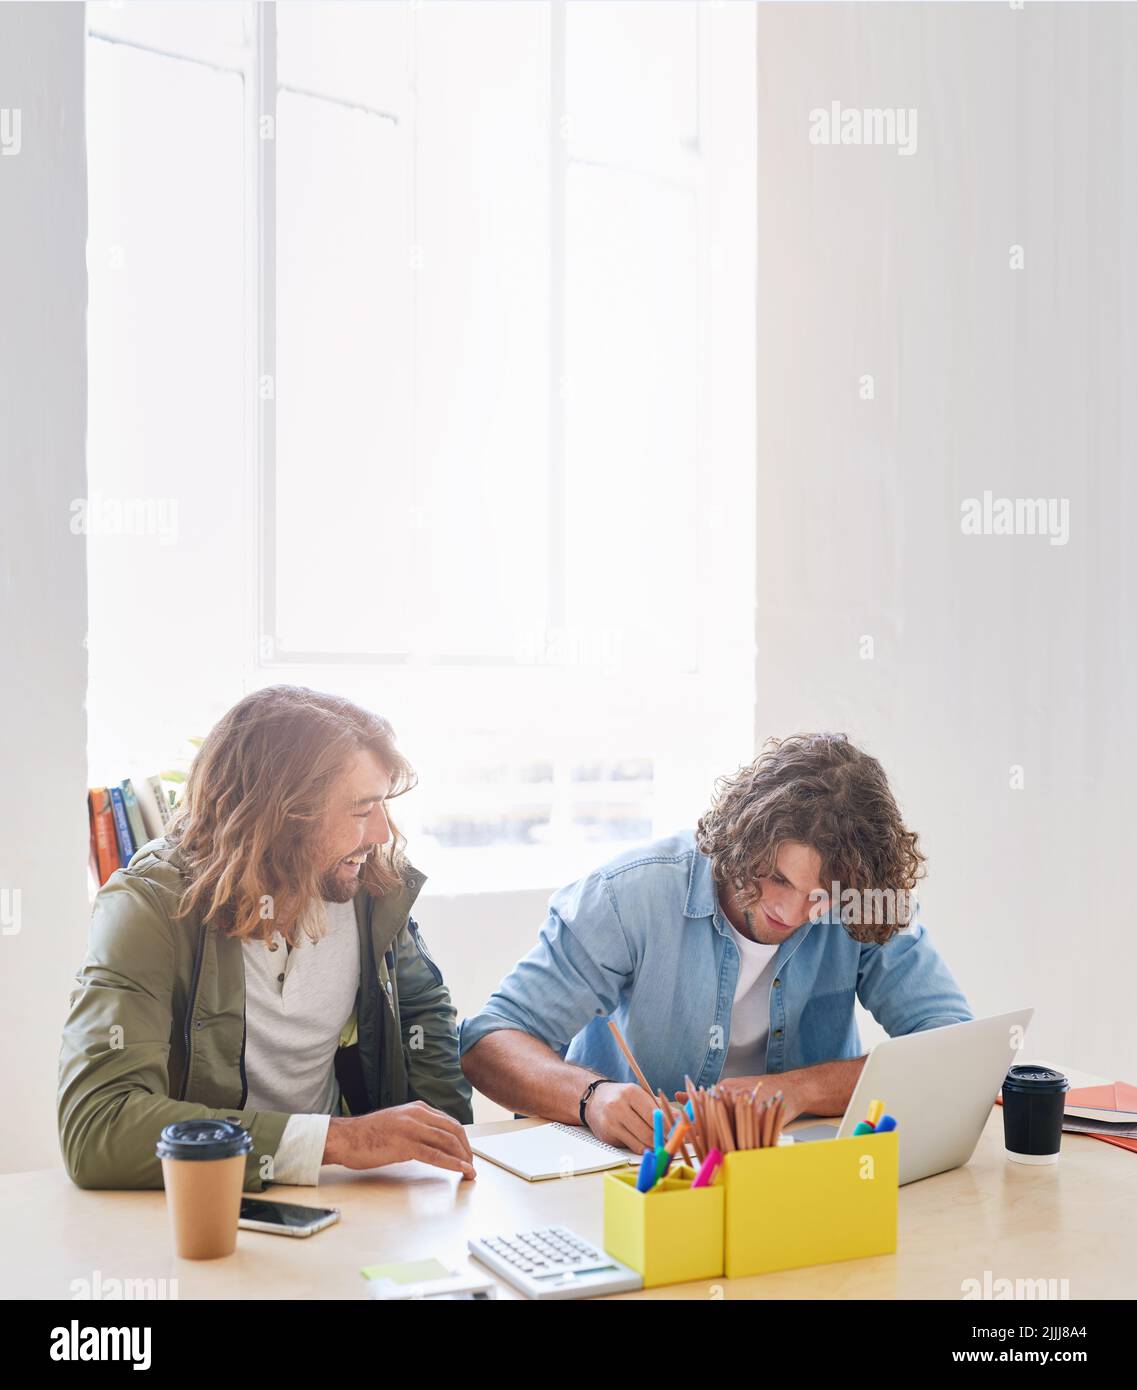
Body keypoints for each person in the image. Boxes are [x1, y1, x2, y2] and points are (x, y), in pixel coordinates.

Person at [461, 732, 972, 1152]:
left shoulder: (859, 899)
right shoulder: (631, 895)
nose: (792, 913)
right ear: (744, 839)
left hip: (803, 1178)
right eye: (777, 878)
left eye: (820, 898)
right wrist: (591, 1097)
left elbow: (955, 1048)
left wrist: (796, 1090)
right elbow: (489, 1042)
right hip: (640, 1177)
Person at [59, 685, 475, 1190]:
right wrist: (340, 1141)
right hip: (202, 1203)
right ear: (281, 811)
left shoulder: (368, 885)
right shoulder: (150, 907)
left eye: (383, 805)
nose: (383, 834)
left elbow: (420, 1013)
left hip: (340, 1194)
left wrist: (455, 1154)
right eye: (363, 809)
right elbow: (99, 1125)